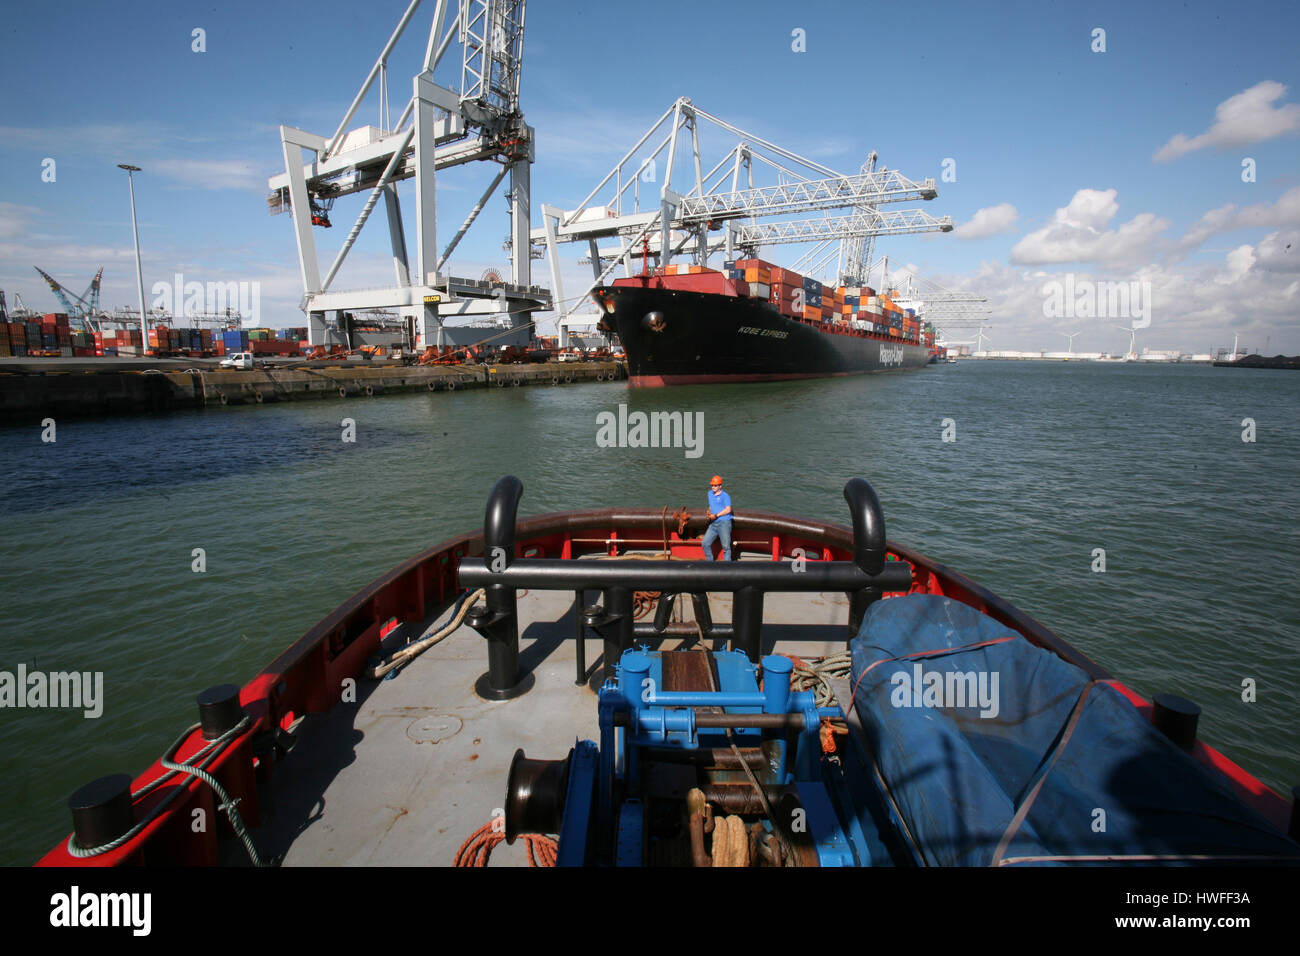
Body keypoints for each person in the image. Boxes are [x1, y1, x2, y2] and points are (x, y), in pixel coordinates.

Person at [702, 475, 733, 561]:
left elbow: (728, 509)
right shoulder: (709, 494)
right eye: (712, 485)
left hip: (724, 523)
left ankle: (727, 567)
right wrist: (709, 511)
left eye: (715, 485)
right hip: (713, 524)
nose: (713, 487)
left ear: (720, 486)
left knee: (726, 547)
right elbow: (712, 505)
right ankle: (710, 562)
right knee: (705, 543)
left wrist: (716, 515)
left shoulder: (726, 496)